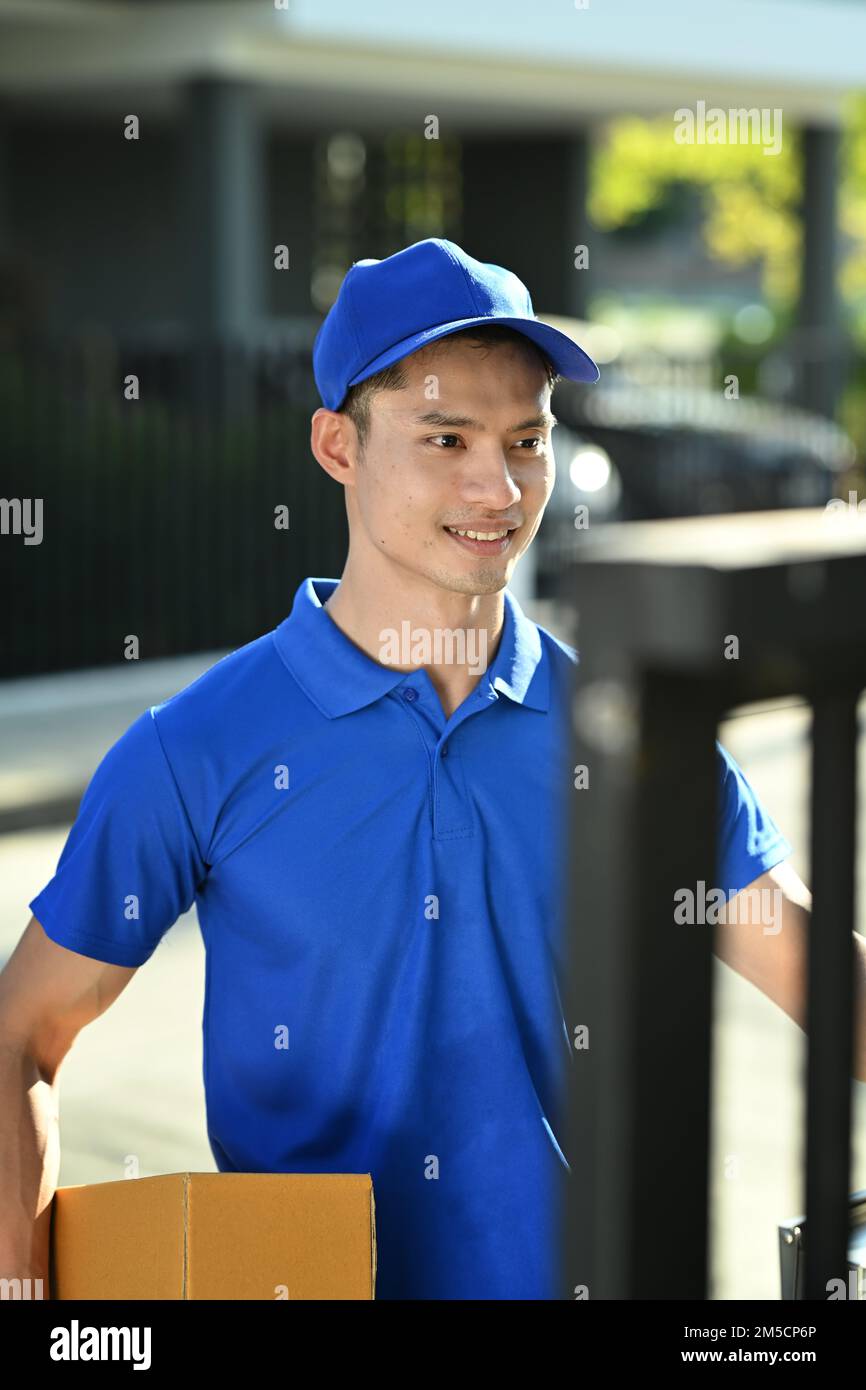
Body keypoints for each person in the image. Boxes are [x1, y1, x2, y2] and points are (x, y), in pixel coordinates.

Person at [0, 238, 830, 1300]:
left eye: (525, 440)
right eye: (447, 437)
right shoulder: (196, 747)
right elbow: (21, 1035)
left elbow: (821, 983)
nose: (499, 487)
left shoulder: (628, 729)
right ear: (336, 445)